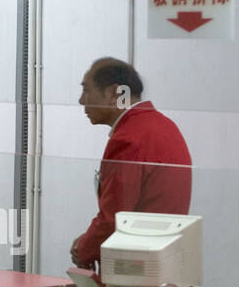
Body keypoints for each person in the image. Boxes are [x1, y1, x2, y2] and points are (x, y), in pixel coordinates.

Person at [70, 58, 192, 269]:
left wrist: (84, 249)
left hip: (134, 270)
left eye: (87, 90)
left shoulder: (128, 139)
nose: (82, 100)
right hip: (162, 264)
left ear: (113, 93)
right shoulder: (164, 126)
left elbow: (114, 218)